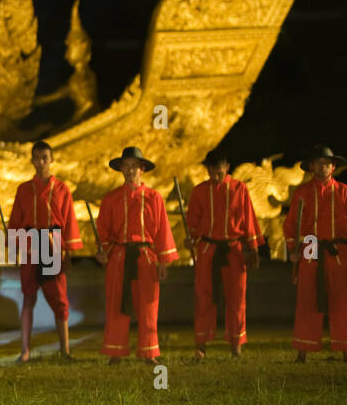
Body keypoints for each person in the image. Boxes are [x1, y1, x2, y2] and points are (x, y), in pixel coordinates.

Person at [95, 147, 178, 364]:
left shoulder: (154, 198)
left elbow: (162, 231)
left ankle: (149, 352)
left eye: (135, 166)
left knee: (148, 306)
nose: (130, 170)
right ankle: (116, 352)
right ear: (121, 169)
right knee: (116, 305)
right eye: (127, 166)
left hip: (145, 256)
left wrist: (163, 261)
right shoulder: (111, 199)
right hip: (119, 256)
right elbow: (103, 231)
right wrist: (102, 251)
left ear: (142, 169)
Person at [284, 145, 347, 363]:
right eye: (319, 162)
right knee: (307, 297)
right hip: (310, 244)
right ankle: (303, 350)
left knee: (343, 298)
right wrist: (293, 250)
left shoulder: (344, 191)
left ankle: (346, 350)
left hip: (337, 248)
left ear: (333, 167)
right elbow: (291, 225)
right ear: (311, 166)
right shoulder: (302, 193)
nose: (323, 166)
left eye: (327, 163)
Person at [8, 140, 81, 361]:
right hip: (31, 245)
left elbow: (69, 220)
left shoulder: (61, 189)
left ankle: (65, 350)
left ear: (51, 160)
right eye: (37, 158)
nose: (40, 163)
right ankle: (25, 351)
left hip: (53, 245)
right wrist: (14, 250)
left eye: (44, 158)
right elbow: (15, 221)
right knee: (28, 297)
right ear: (31, 160)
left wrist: (69, 252)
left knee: (59, 299)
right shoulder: (23, 189)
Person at [186, 149, 261, 360]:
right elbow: (193, 221)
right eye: (211, 168)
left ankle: (236, 345)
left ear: (226, 167)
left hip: (234, 249)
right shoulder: (199, 191)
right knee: (203, 297)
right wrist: (191, 238)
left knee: (236, 298)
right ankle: (201, 344)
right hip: (207, 249)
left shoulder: (240, 189)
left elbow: (248, 220)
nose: (214, 172)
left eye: (218, 168)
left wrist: (253, 248)